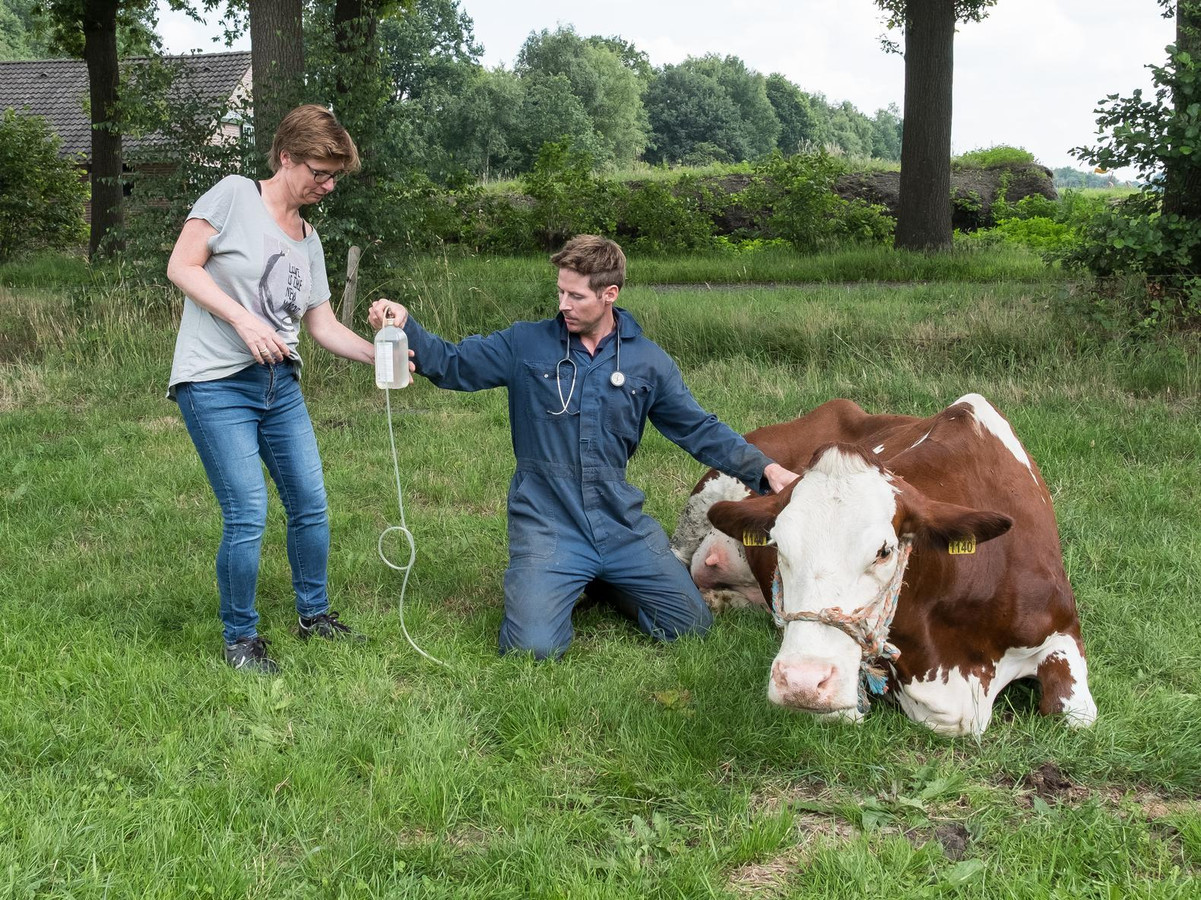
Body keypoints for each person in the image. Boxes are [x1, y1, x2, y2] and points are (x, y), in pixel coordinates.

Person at [367, 235, 798, 660]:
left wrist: (766, 469)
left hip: (619, 523)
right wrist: (406, 327)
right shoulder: (525, 344)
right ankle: (565, 577)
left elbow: (699, 429)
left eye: (576, 296)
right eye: (560, 292)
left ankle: (606, 581)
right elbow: (453, 364)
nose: (563, 305)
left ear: (610, 294)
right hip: (547, 522)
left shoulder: (647, 362)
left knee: (689, 626)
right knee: (533, 649)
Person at [167, 104, 387, 673]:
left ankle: (315, 616)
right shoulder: (234, 195)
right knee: (248, 511)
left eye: (335, 176)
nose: (328, 185)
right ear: (286, 157)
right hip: (215, 383)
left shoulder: (309, 240)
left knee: (310, 504)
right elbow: (182, 267)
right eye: (320, 172)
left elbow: (322, 326)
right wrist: (244, 321)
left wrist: (381, 355)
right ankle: (240, 640)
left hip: (279, 384)